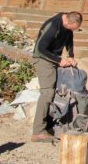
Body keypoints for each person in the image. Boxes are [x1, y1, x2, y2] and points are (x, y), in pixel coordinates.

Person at [31, 11, 82, 143]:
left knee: (56, 91)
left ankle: (50, 124)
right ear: (66, 21)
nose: (72, 31)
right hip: (43, 59)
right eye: (71, 28)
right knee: (47, 93)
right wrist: (59, 60)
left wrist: (71, 55)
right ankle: (38, 131)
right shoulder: (53, 26)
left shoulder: (68, 25)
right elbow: (40, 49)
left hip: (52, 58)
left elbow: (69, 38)